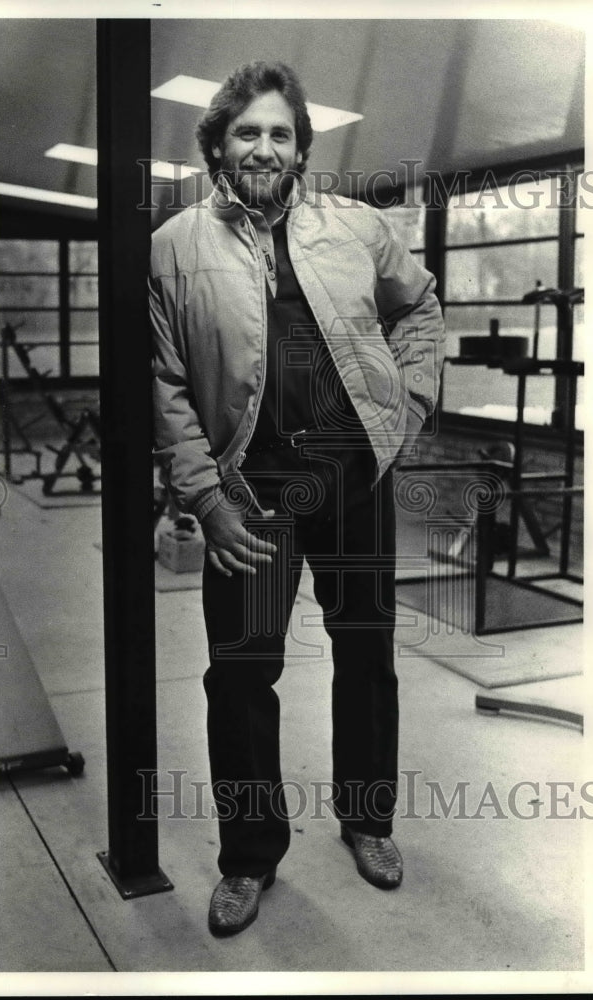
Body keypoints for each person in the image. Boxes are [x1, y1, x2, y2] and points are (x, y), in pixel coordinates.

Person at [150, 61, 445, 936]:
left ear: (301, 148)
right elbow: (163, 383)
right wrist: (206, 502)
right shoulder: (173, 246)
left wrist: (412, 404)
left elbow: (420, 309)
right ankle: (248, 857)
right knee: (239, 677)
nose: (264, 148)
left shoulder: (357, 226)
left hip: (355, 480)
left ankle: (366, 819)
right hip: (251, 495)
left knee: (366, 658)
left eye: (280, 133)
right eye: (247, 131)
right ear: (216, 144)